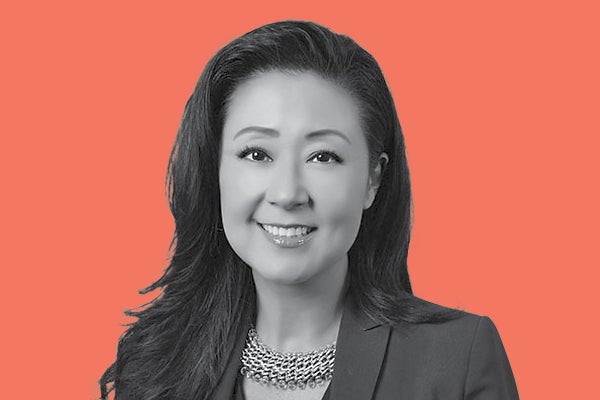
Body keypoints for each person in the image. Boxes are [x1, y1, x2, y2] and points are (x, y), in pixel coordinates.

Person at [100, 20, 519, 400]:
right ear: (215, 170)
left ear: (372, 179)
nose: (287, 194)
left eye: (323, 157)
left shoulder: (456, 362)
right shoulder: (155, 364)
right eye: (256, 153)